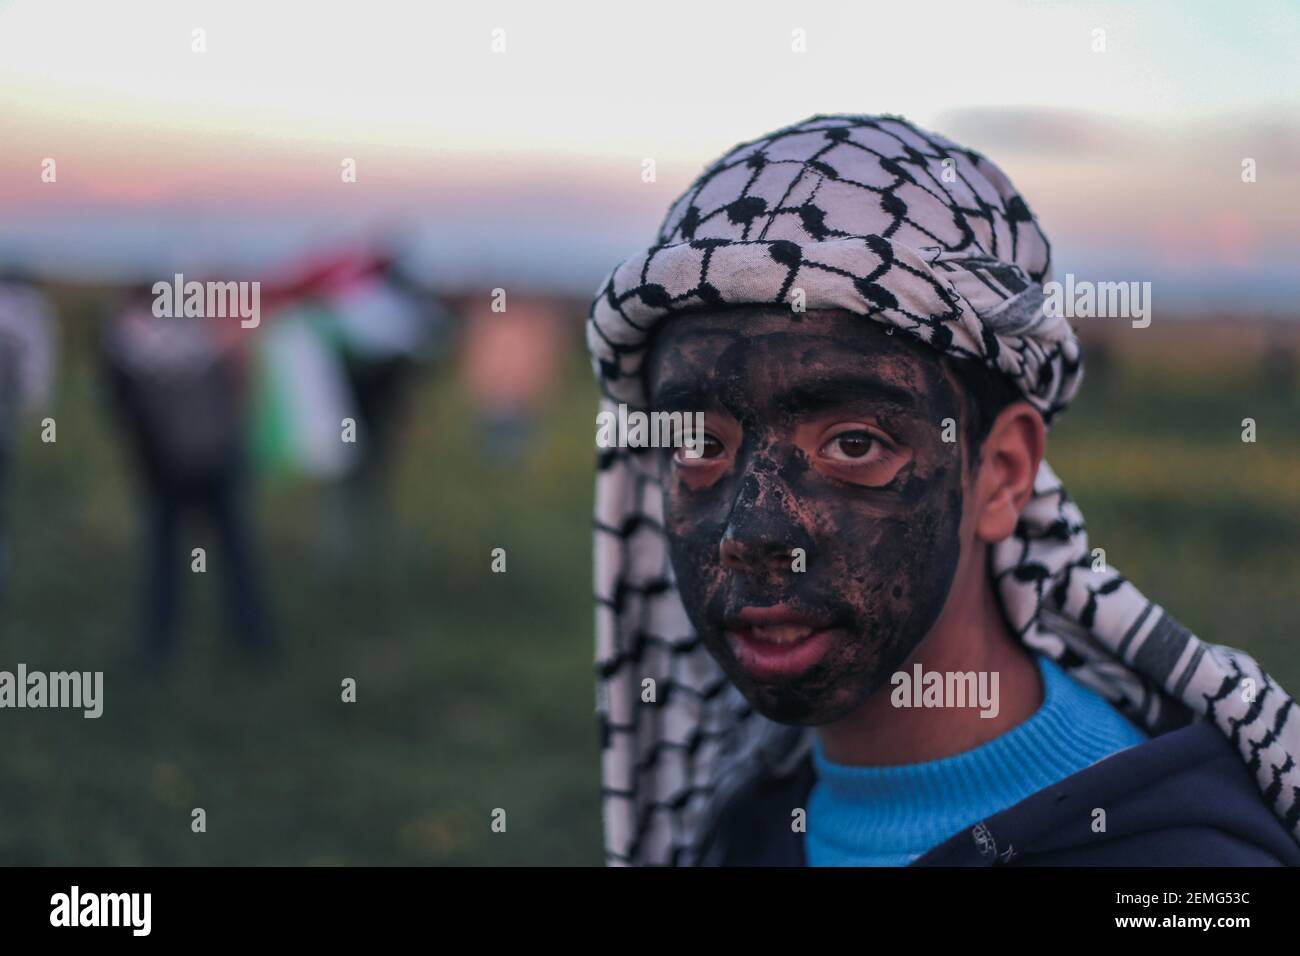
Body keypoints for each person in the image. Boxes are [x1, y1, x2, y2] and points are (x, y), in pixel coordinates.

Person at [586, 115, 1300, 866]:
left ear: (1002, 473)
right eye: (699, 446)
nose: (755, 535)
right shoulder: (747, 828)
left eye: (854, 445)